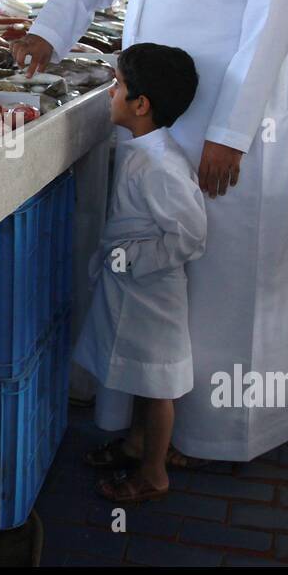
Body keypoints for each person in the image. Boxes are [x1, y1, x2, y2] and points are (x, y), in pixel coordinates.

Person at [13, 0, 288, 463]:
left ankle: (225, 432)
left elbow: (274, 13)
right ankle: (157, 431)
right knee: (161, 285)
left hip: (228, 130)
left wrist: (233, 130)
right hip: (164, 125)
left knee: (227, 281)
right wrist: (45, 35)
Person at [75, 44, 207, 504]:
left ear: (141, 105)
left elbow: (190, 235)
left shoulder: (160, 166)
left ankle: (154, 472)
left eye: (118, 86)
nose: (110, 93)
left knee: (157, 385)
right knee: (139, 372)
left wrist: (131, 259)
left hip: (152, 293)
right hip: (132, 290)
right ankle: (135, 444)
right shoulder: (142, 151)